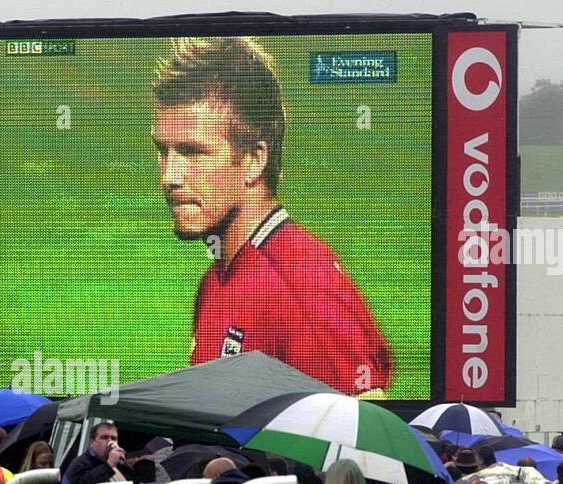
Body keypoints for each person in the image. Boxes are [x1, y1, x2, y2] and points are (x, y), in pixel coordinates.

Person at [152, 36, 392, 395]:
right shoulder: (217, 279)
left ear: (254, 160)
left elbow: (358, 435)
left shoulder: (303, 283)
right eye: (163, 151)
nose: (170, 176)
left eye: (192, 152)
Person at [63, 421, 133, 484]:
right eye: (104, 437)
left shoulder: (121, 463)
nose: (110, 441)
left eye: (114, 438)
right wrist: (108, 466)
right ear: (92, 442)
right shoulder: (80, 463)